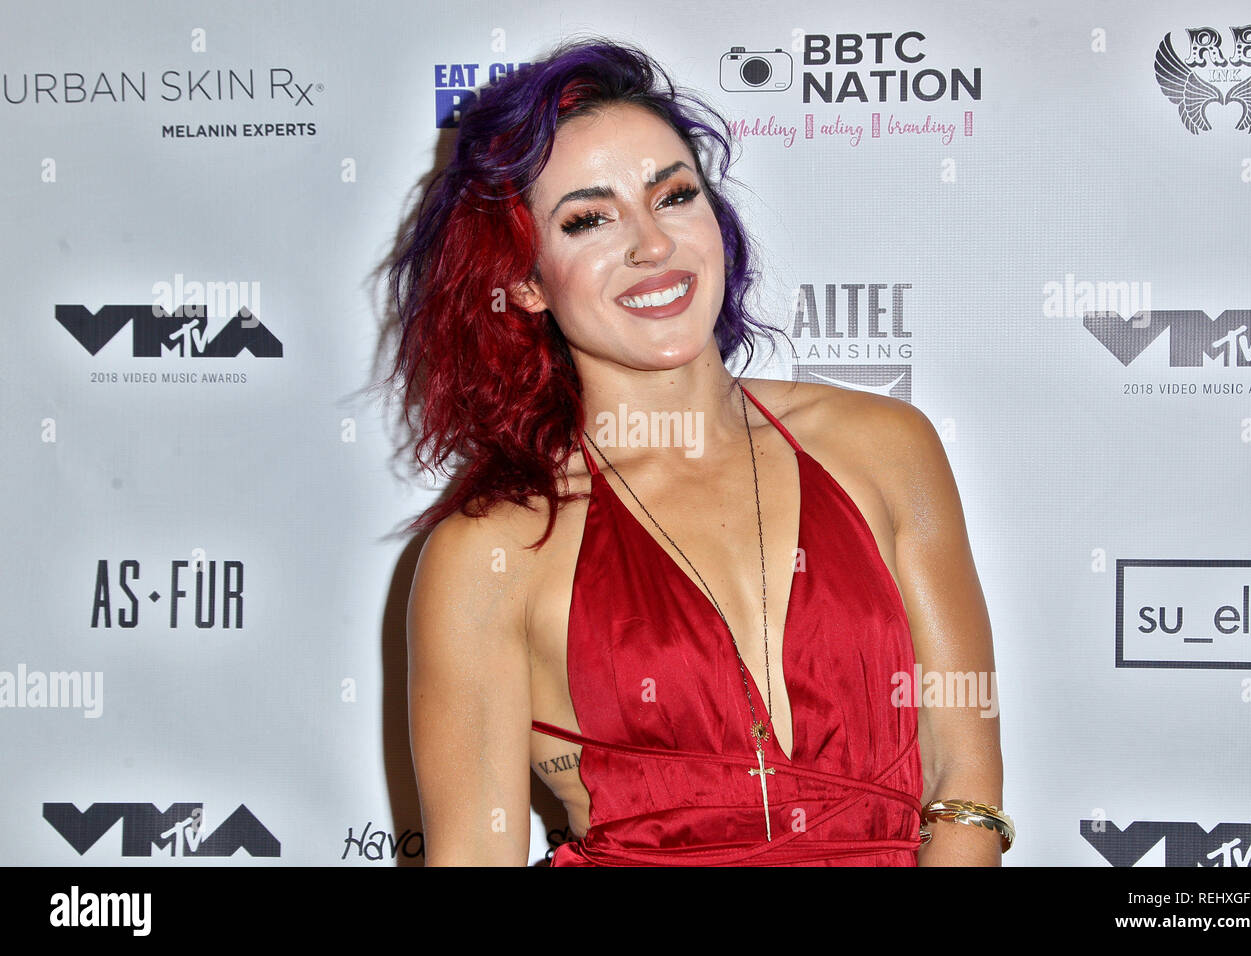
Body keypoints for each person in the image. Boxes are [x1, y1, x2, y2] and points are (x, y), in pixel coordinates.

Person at [387, 36, 1007, 866]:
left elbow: (964, 783)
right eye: (588, 219)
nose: (651, 244)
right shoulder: (491, 551)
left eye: (673, 195)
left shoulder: (884, 449)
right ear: (527, 281)